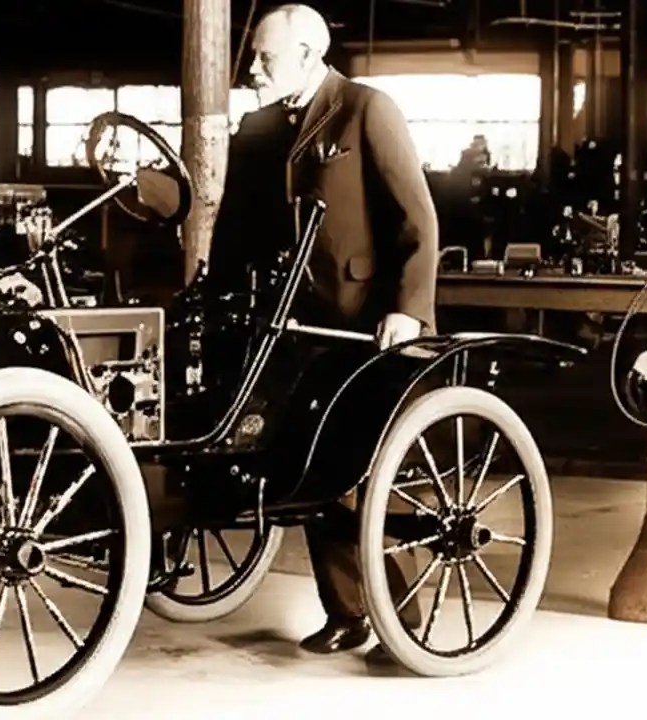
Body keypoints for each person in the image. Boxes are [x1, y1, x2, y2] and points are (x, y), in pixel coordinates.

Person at [205, 4, 439, 659]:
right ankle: (347, 611)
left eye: (266, 57)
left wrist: (408, 309)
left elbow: (417, 219)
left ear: (310, 55)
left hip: (368, 327)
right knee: (304, 469)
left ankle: (404, 623)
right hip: (290, 326)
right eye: (254, 56)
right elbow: (234, 229)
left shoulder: (365, 109)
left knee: (364, 473)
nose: (253, 68)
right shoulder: (256, 126)